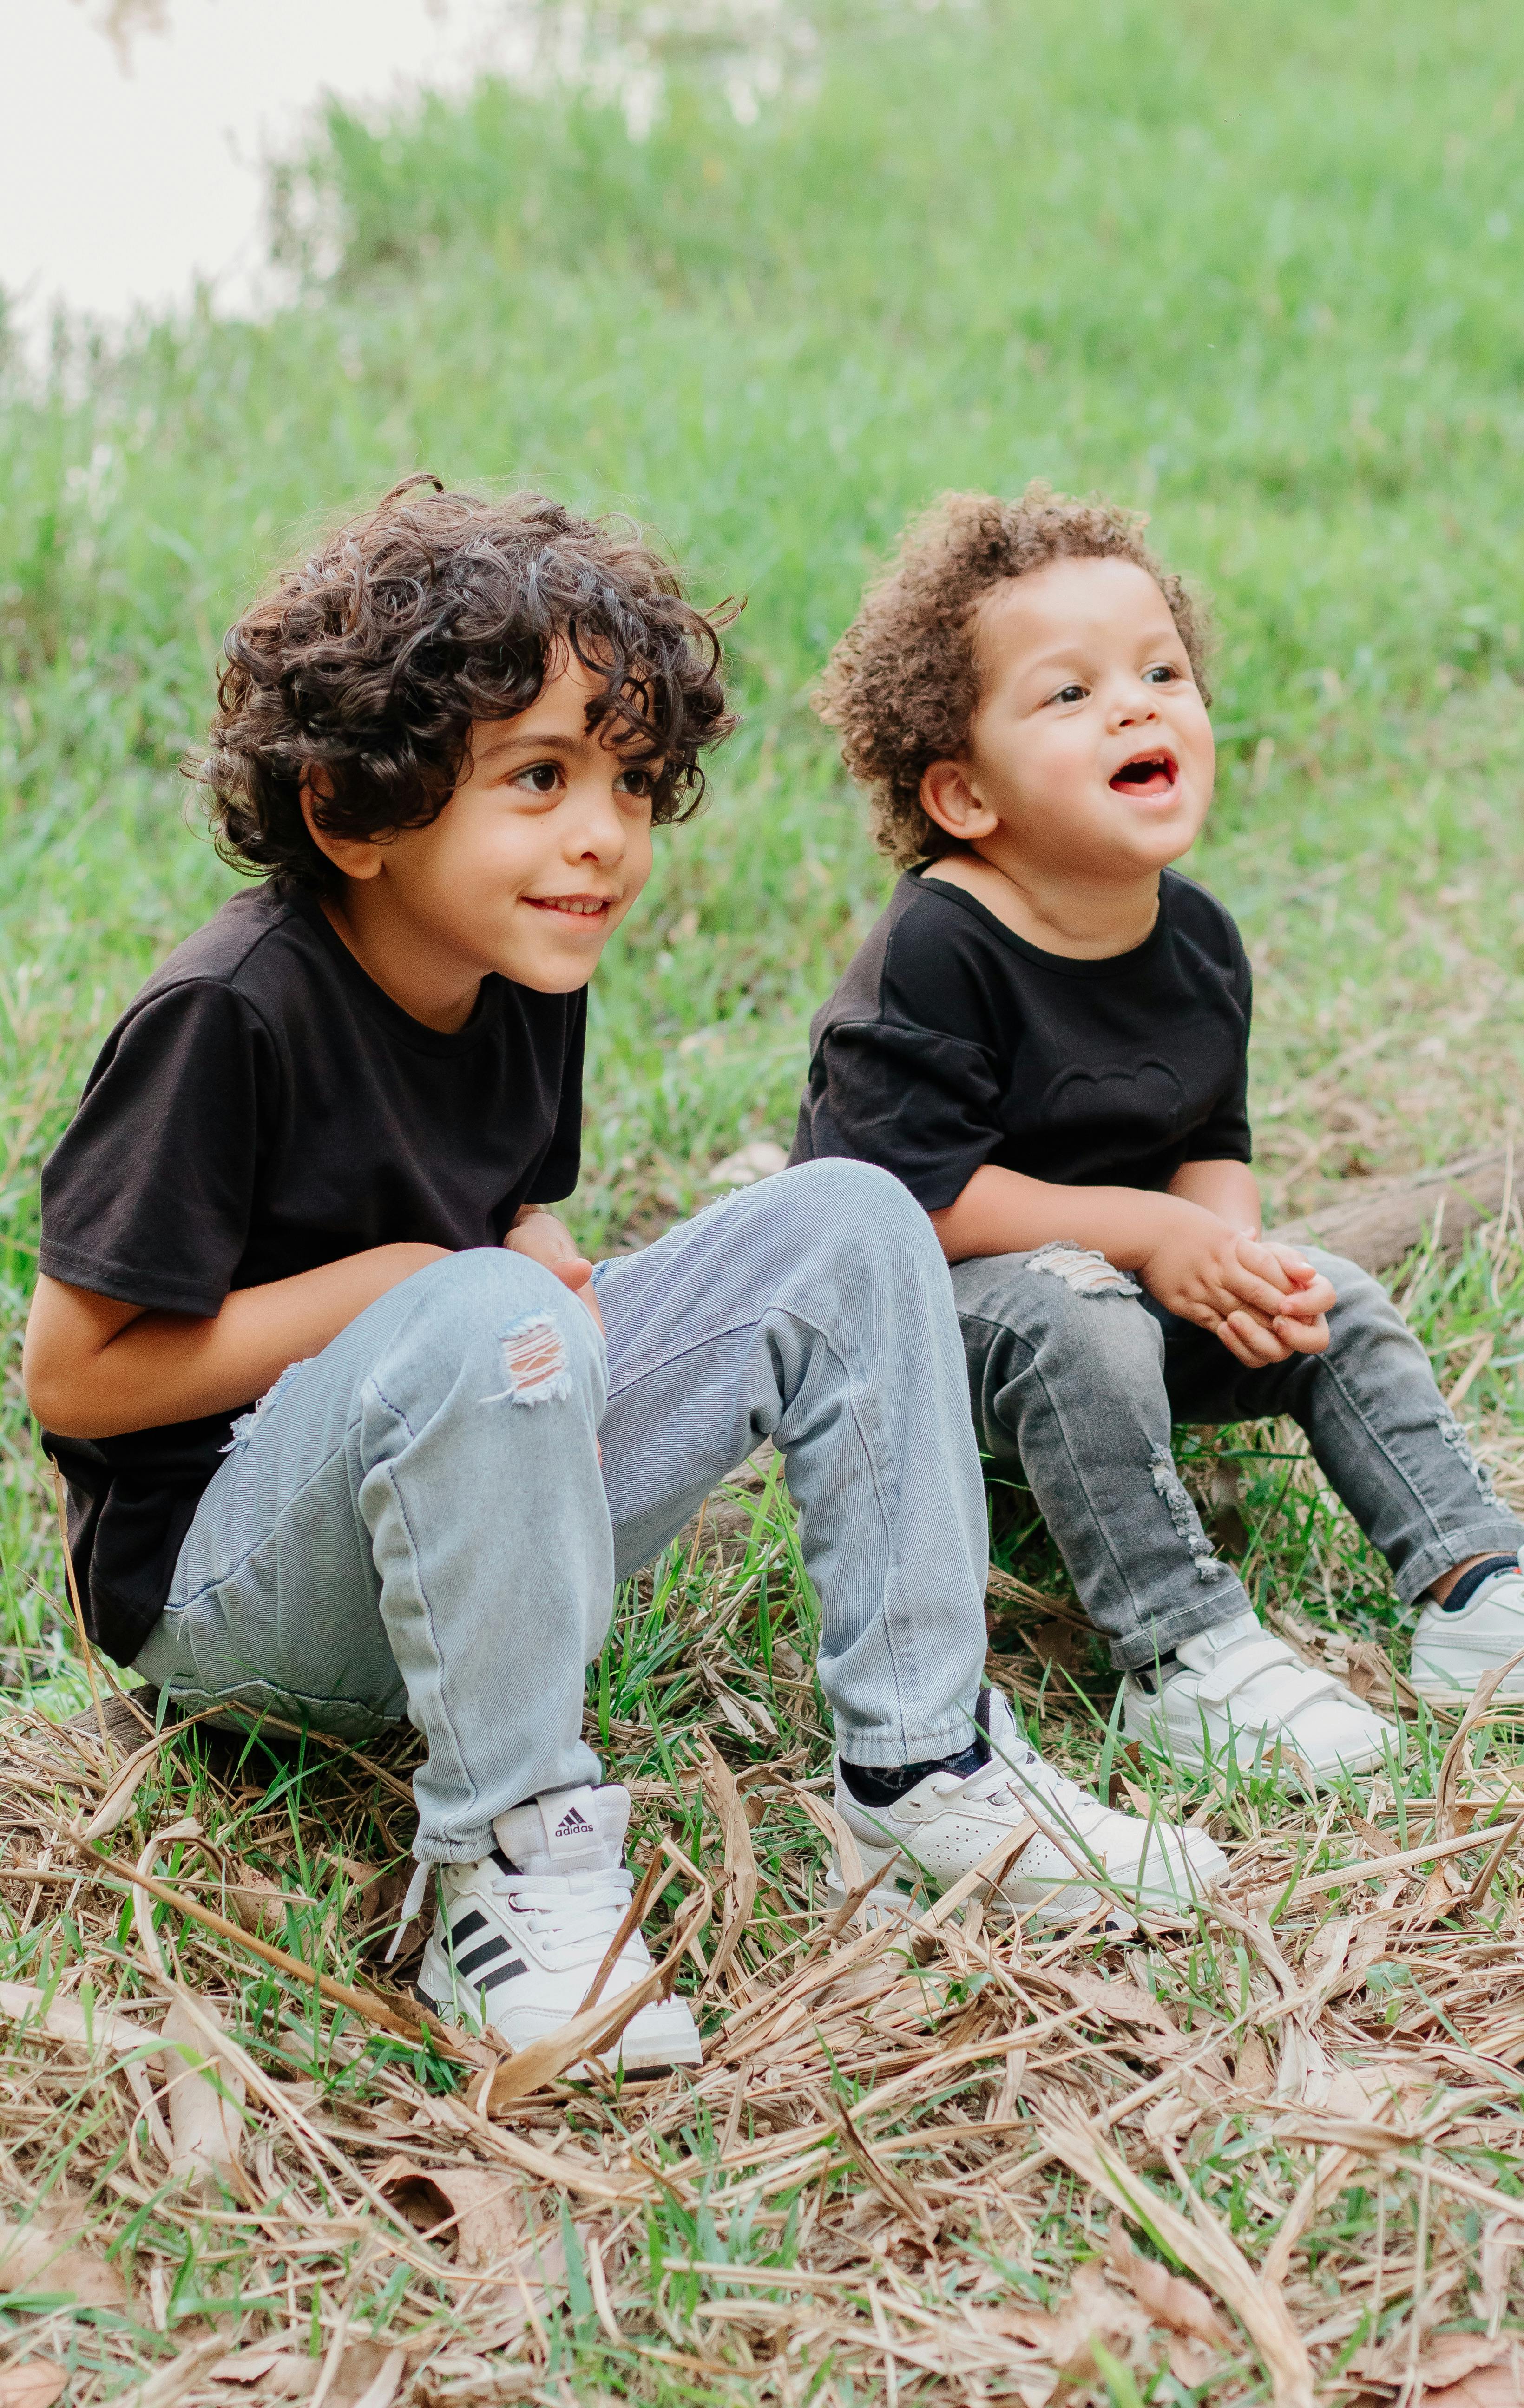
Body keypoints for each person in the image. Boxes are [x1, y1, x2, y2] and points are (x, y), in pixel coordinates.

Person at [22, 479, 1225, 2079]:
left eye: (630, 783)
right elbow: (75, 1377)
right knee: (475, 1310)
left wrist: (513, 1258)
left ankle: (925, 1765)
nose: (604, 837)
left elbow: (496, 1227)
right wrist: (413, 1282)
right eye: (539, 779)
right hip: (240, 1605)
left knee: (853, 1216)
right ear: (350, 811)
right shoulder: (230, 1015)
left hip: (467, 1507)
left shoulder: (523, 965)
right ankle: (507, 1865)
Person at [791, 485, 1524, 1789]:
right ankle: (1186, 1656)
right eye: (1069, 695)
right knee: (1078, 1315)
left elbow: (1206, 1141)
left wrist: (1229, 1256)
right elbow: (910, 1203)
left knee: (1336, 1297)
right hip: (935, 1331)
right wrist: (1154, 1238)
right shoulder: (940, 948)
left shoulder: (1197, 938)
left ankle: (1476, 1585)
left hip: (1119, 1292)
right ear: (962, 793)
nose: (1135, 705)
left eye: (1161, 670)